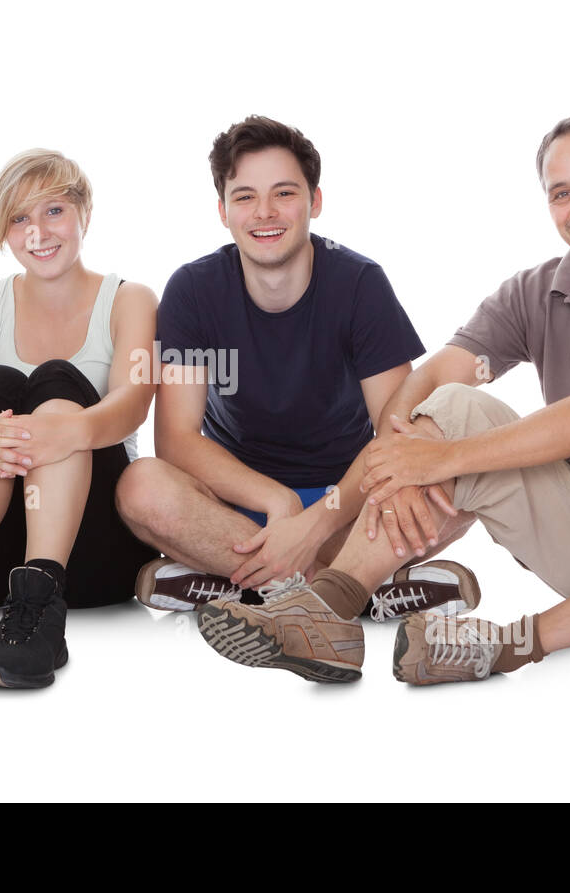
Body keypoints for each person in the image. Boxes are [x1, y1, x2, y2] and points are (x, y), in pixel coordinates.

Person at [196, 110, 570, 685]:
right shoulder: (538, 289)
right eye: (562, 193)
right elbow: (436, 377)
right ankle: (326, 610)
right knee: (451, 408)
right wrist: (402, 448)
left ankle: (502, 643)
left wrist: (442, 461)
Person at [115, 115, 482, 684]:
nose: (265, 213)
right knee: (139, 485)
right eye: (245, 196)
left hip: (351, 504)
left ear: (313, 200)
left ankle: (247, 590)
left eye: (283, 194)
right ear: (223, 210)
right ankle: (356, 593)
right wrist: (281, 503)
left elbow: (397, 432)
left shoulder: (359, 284)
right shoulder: (193, 288)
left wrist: (315, 521)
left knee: (461, 468)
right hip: (239, 507)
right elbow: (177, 439)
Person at [0, 149, 158, 690]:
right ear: (4, 231)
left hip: (93, 551)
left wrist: (67, 429)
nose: (38, 232)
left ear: (84, 214)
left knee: (57, 380)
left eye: (53, 212)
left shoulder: (130, 299)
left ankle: (42, 603)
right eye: (20, 218)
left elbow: (135, 403)